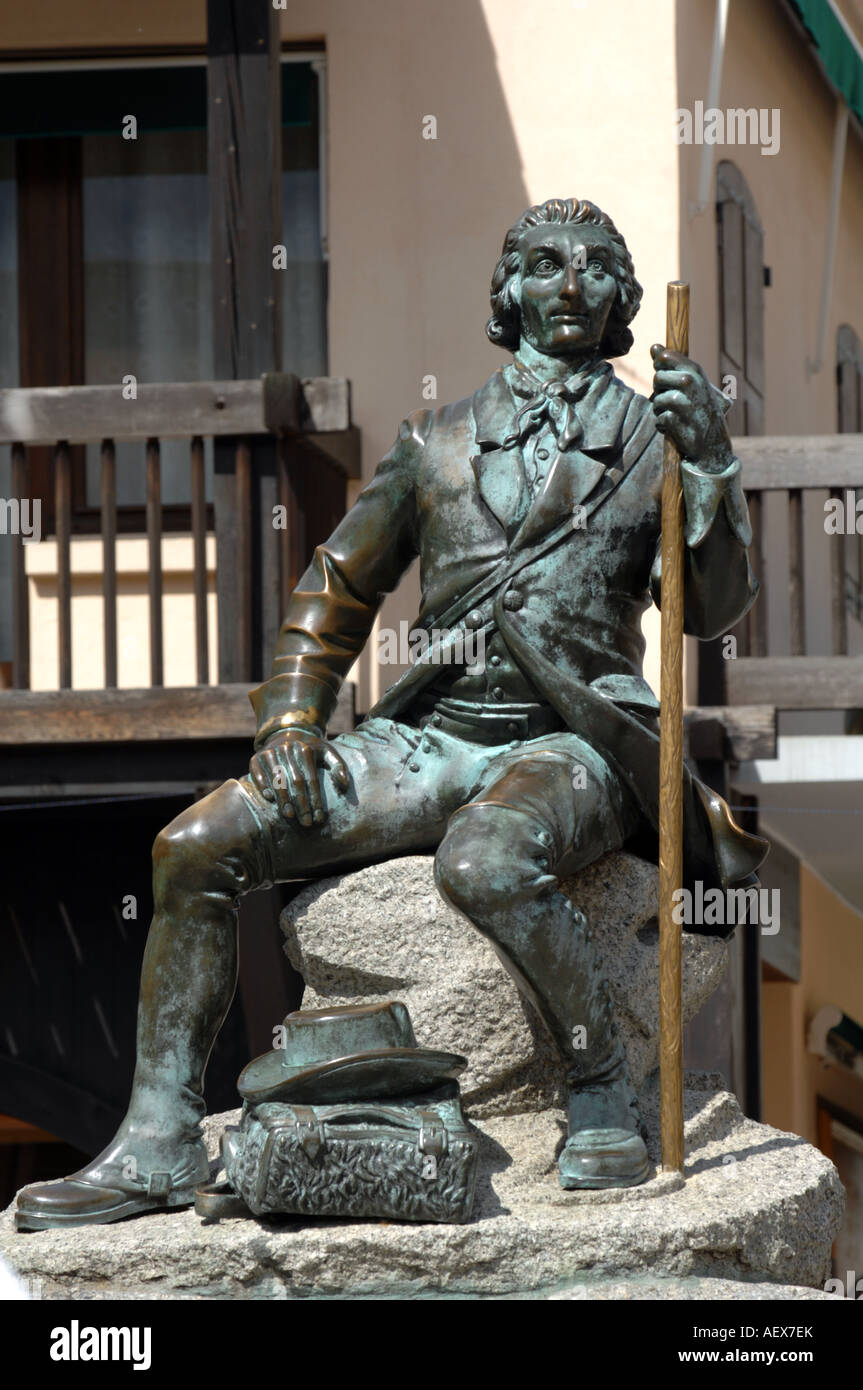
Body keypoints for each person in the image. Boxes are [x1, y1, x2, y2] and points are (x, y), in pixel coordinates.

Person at [17, 196, 766, 1229]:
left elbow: (714, 607)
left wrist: (715, 465)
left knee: (486, 861)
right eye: (542, 265)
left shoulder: (651, 442)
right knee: (193, 844)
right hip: (430, 734)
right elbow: (334, 589)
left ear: (622, 297)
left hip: (572, 740)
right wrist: (289, 723)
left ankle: (600, 1081)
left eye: (595, 267)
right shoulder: (436, 440)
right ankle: (154, 1137)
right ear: (506, 292)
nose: (568, 286)